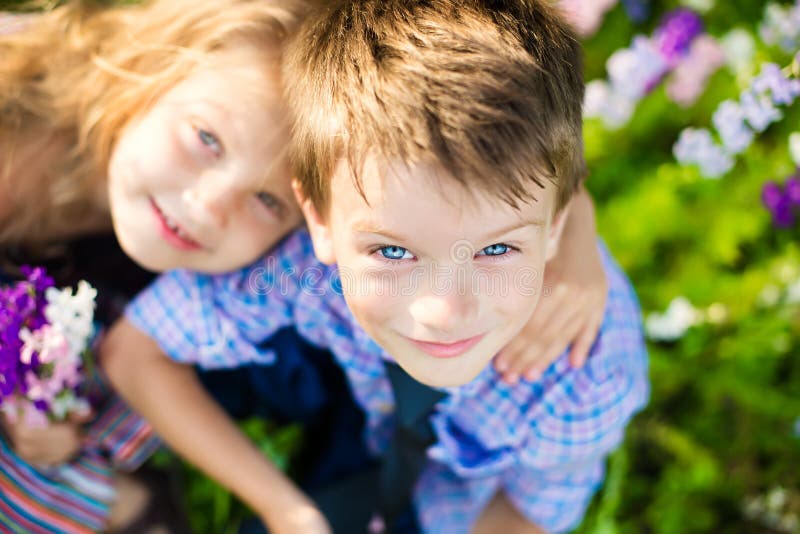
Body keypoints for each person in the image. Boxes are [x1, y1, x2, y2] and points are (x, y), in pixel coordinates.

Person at [103, 0, 649, 532]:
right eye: (393, 252)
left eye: (497, 250)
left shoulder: (585, 379)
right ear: (317, 222)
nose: (444, 312)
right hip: (353, 387)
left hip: (448, 496)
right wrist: (285, 511)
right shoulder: (301, 270)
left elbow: (529, 512)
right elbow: (136, 352)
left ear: (557, 227)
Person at [0, 0, 307, 530]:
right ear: (151, 67)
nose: (211, 207)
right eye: (206, 138)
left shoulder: (188, 271)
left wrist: (38, 415)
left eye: (269, 201)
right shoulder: (16, 117)